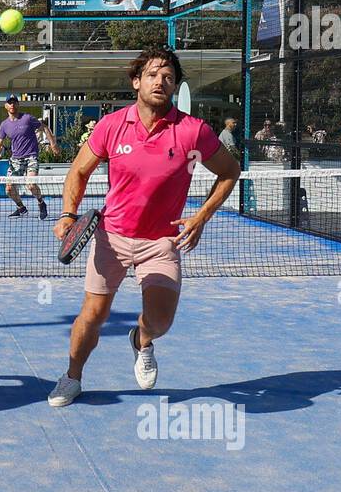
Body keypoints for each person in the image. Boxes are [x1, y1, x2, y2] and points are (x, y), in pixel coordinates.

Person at [48, 49, 241, 407]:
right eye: (152, 74)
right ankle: (72, 376)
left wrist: (201, 216)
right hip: (112, 237)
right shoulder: (111, 125)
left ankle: (141, 339)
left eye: (168, 76)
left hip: (162, 242)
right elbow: (78, 171)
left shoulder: (192, 131)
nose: (160, 81)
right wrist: (68, 215)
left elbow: (230, 172)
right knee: (93, 314)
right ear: (136, 81)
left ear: (175, 86)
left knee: (161, 321)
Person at [0, 95, 59, 218]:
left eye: (14, 102)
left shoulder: (27, 118)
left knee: (31, 184)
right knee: (9, 189)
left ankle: (41, 203)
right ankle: (21, 208)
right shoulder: (4, 125)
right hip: (16, 159)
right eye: (9, 103)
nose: (12, 105)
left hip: (31, 157)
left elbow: (44, 127)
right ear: (6, 106)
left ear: (18, 104)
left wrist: (53, 144)